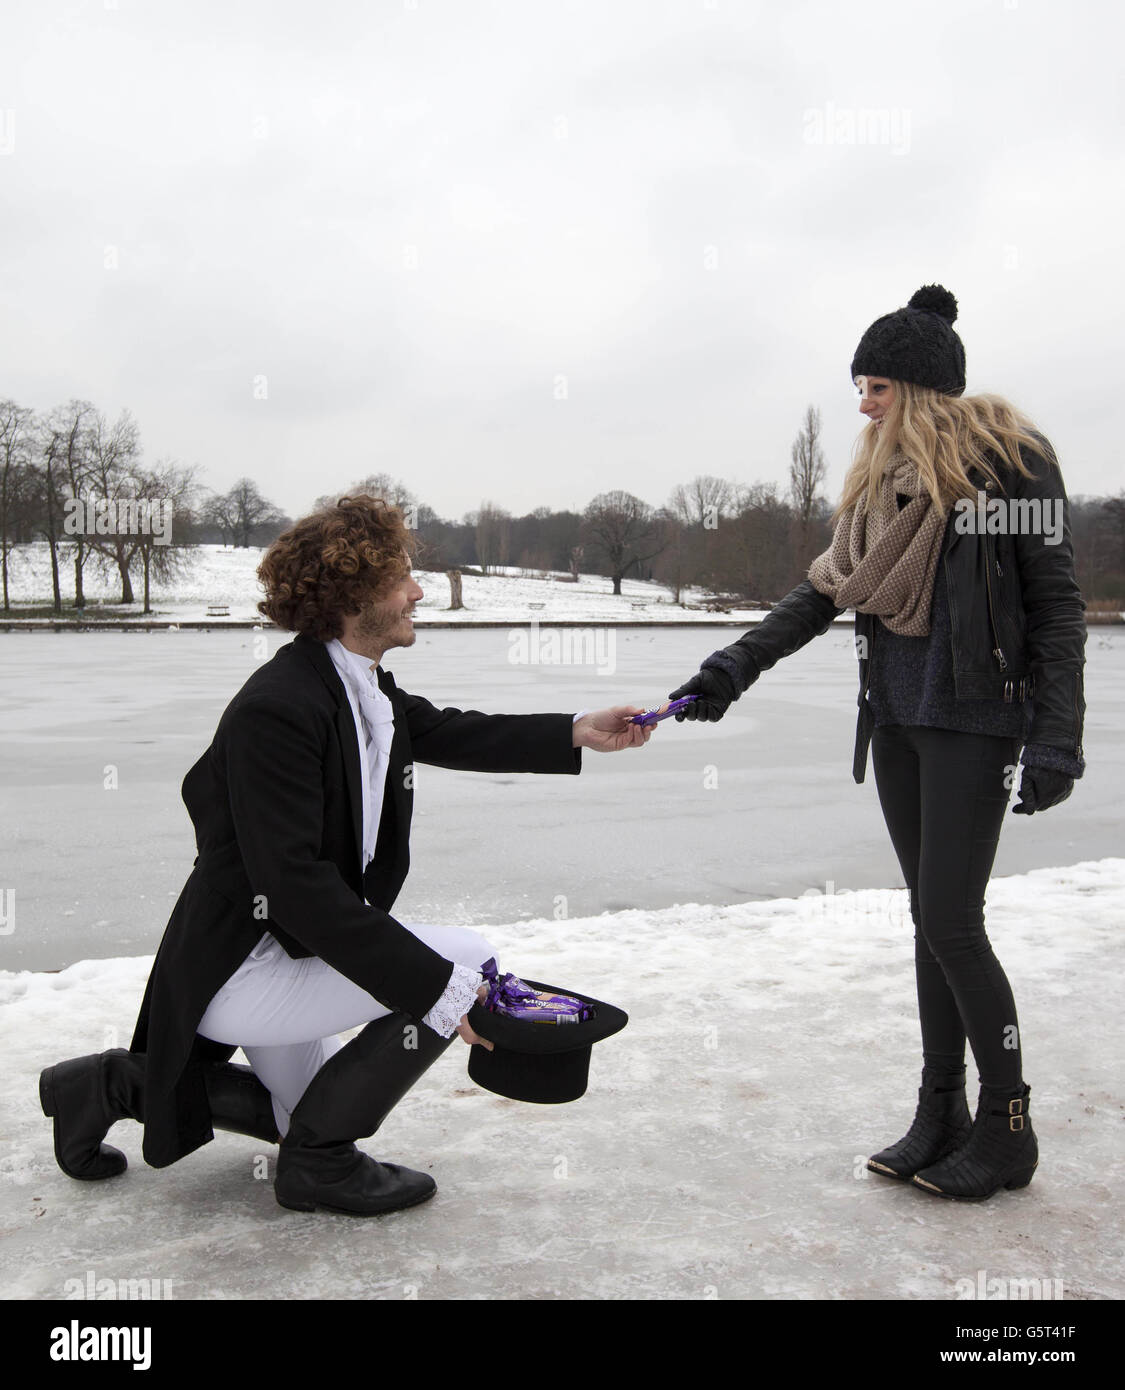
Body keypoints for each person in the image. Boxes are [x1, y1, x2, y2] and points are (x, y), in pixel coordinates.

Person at [39, 495, 653, 1217]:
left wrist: (576, 730)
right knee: (460, 964)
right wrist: (436, 988)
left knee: (298, 1112)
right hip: (245, 965)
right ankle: (321, 1167)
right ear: (354, 594)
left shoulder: (353, 684)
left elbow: (445, 730)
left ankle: (109, 1085)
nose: (418, 593)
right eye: (403, 579)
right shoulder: (279, 707)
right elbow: (291, 883)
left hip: (295, 948)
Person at [668, 285, 1086, 1201]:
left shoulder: (1008, 469)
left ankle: (1006, 1122)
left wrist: (1056, 738)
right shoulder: (875, 483)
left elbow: (1055, 605)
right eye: (859, 385)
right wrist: (732, 668)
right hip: (897, 717)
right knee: (927, 925)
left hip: (975, 717)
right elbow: (826, 591)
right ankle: (939, 1110)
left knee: (951, 924)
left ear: (921, 387)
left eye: (876, 386)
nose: (860, 403)